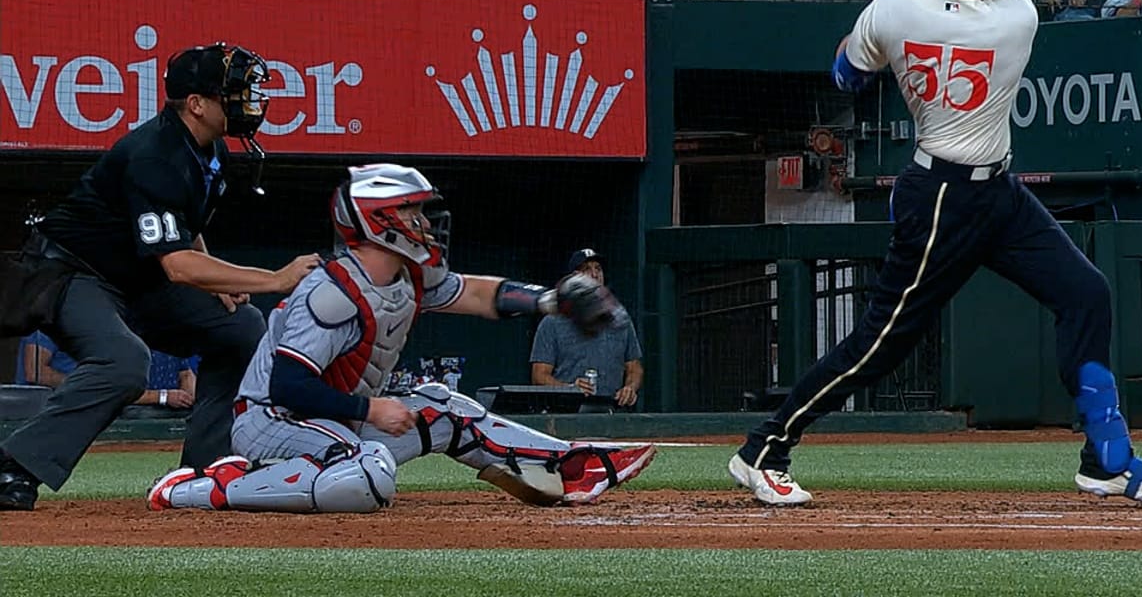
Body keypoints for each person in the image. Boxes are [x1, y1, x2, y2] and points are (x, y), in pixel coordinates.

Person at [726, 0, 1142, 508]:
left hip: (996, 191)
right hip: (944, 199)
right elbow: (957, 1)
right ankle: (765, 447)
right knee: (880, 341)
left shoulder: (896, 11)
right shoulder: (1015, 19)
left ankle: (1106, 457)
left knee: (1086, 292)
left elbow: (845, 71)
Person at [145, 164, 657, 512]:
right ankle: (204, 488)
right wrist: (371, 413)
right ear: (380, 221)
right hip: (271, 422)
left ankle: (564, 464)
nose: (425, 223)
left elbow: (476, 295)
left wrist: (552, 300)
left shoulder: (411, 274)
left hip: (333, 416)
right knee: (367, 476)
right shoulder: (332, 291)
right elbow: (285, 387)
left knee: (446, 409)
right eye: (412, 212)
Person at [0, 44, 321, 512]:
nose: (247, 101)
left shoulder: (209, 150)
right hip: (73, 272)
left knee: (241, 327)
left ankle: (206, 470)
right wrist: (272, 278)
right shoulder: (154, 154)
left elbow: (186, 234)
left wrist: (223, 281)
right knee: (123, 361)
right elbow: (176, 265)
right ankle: (15, 465)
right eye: (233, 92)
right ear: (196, 104)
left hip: (138, 279)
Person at [530, 248, 644, 410]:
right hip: (567, 413)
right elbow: (539, 376)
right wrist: (569, 389)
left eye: (598, 269)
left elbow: (634, 367)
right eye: (586, 270)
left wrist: (630, 387)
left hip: (612, 412)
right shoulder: (552, 322)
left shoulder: (619, 319)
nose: (595, 274)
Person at [16, 329, 198, 410]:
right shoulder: (49, 325)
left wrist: (190, 397)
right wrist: (88, 384)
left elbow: (185, 372)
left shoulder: (112, 325)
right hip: (56, 405)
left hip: (118, 404)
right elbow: (35, 373)